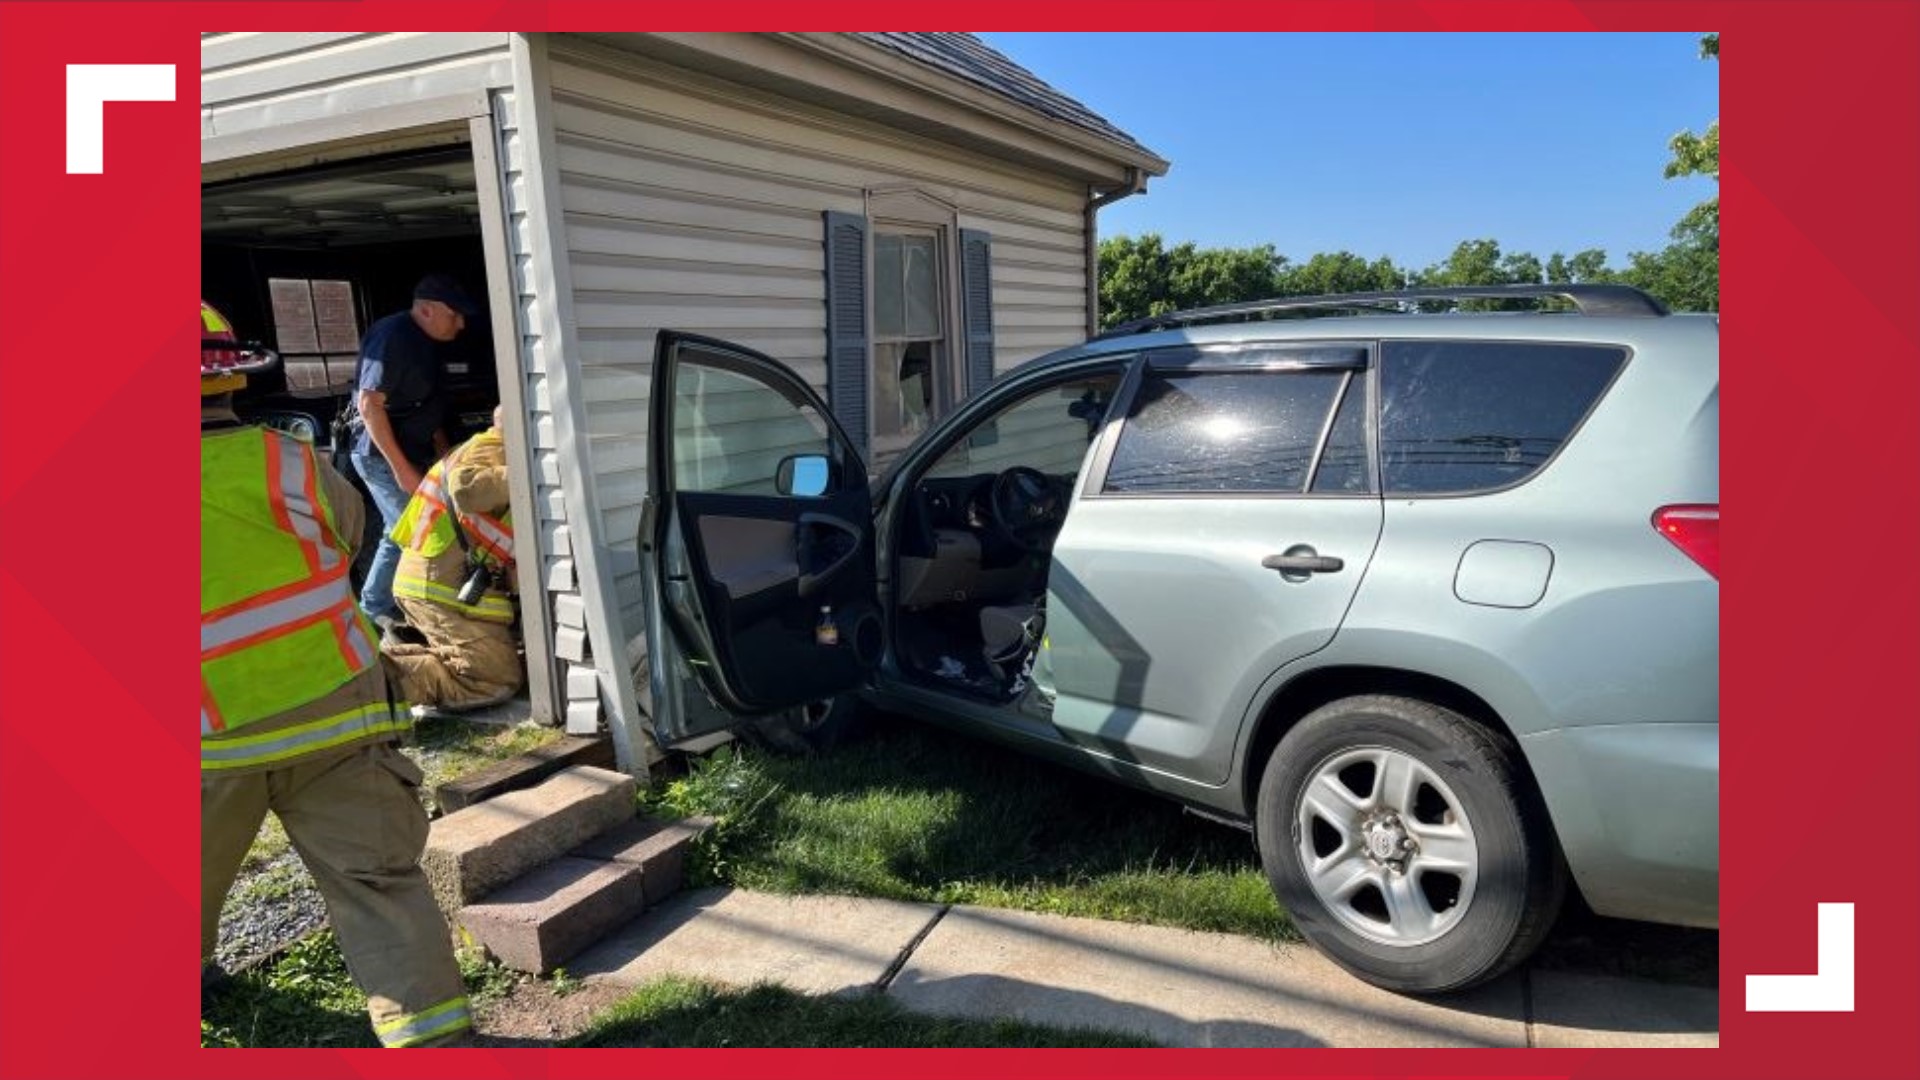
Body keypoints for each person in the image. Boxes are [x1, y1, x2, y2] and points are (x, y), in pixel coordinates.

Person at [200, 301, 472, 1047]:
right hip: (338, 719)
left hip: (206, 748)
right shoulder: (293, 462)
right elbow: (350, 536)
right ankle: (437, 1042)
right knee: (382, 890)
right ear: (230, 382)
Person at [351, 274, 478, 630]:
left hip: (416, 448)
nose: (462, 323)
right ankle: (376, 611)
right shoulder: (392, 337)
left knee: (405, 528)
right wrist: (402, 470)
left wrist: (441, 453)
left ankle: (383, 607)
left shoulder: (431, 341)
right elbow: (369, 405)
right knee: (411, 530)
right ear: (426, 310)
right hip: (381, 455)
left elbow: (429, 403)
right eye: (455, 315)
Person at [383, 406, 523, 713]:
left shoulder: (489, 447)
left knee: (496, 662)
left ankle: (391, 659)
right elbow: (466, 489)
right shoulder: (494, 448)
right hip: (439, 589)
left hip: (442, 584)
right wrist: (537, 473)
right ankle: (373, 688)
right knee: (492, 679)